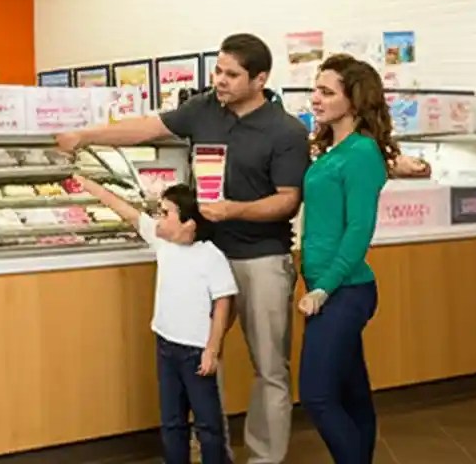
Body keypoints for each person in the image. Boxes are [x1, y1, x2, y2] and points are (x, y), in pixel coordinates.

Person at [58, 33, 309, 463]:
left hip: (261, 258)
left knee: (270, 367)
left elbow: (288, 199)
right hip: (205, 254)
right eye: (218, 70)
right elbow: (148, 127)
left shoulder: (286, 131)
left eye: (232, 74)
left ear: (260, 79)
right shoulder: (204, 108)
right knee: (201, 355)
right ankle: (213, 451)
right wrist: (85, 135)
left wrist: (234, 210)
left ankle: (265, 458)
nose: (220, 80)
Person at [76, 176, 236, 464]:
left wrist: (212, 348)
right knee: (172, 421)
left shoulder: (211, 256)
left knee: (208, 425)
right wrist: (88, 184)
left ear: (188, 222)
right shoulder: (163, 243)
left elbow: (223, 302)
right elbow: (126, 211)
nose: (159, 219)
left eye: (166, 213)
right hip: (166, 345)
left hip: (196, 351)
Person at [297, 54, 395, 463]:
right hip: (328, 287)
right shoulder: (332, 151)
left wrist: (323, 288)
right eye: (315, 90)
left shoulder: (361, 153)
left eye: (326, 92)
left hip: (345, 290)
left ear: (353, 100)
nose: (315, 99)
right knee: (352, 395)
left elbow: (358, 231)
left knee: (317, 395)